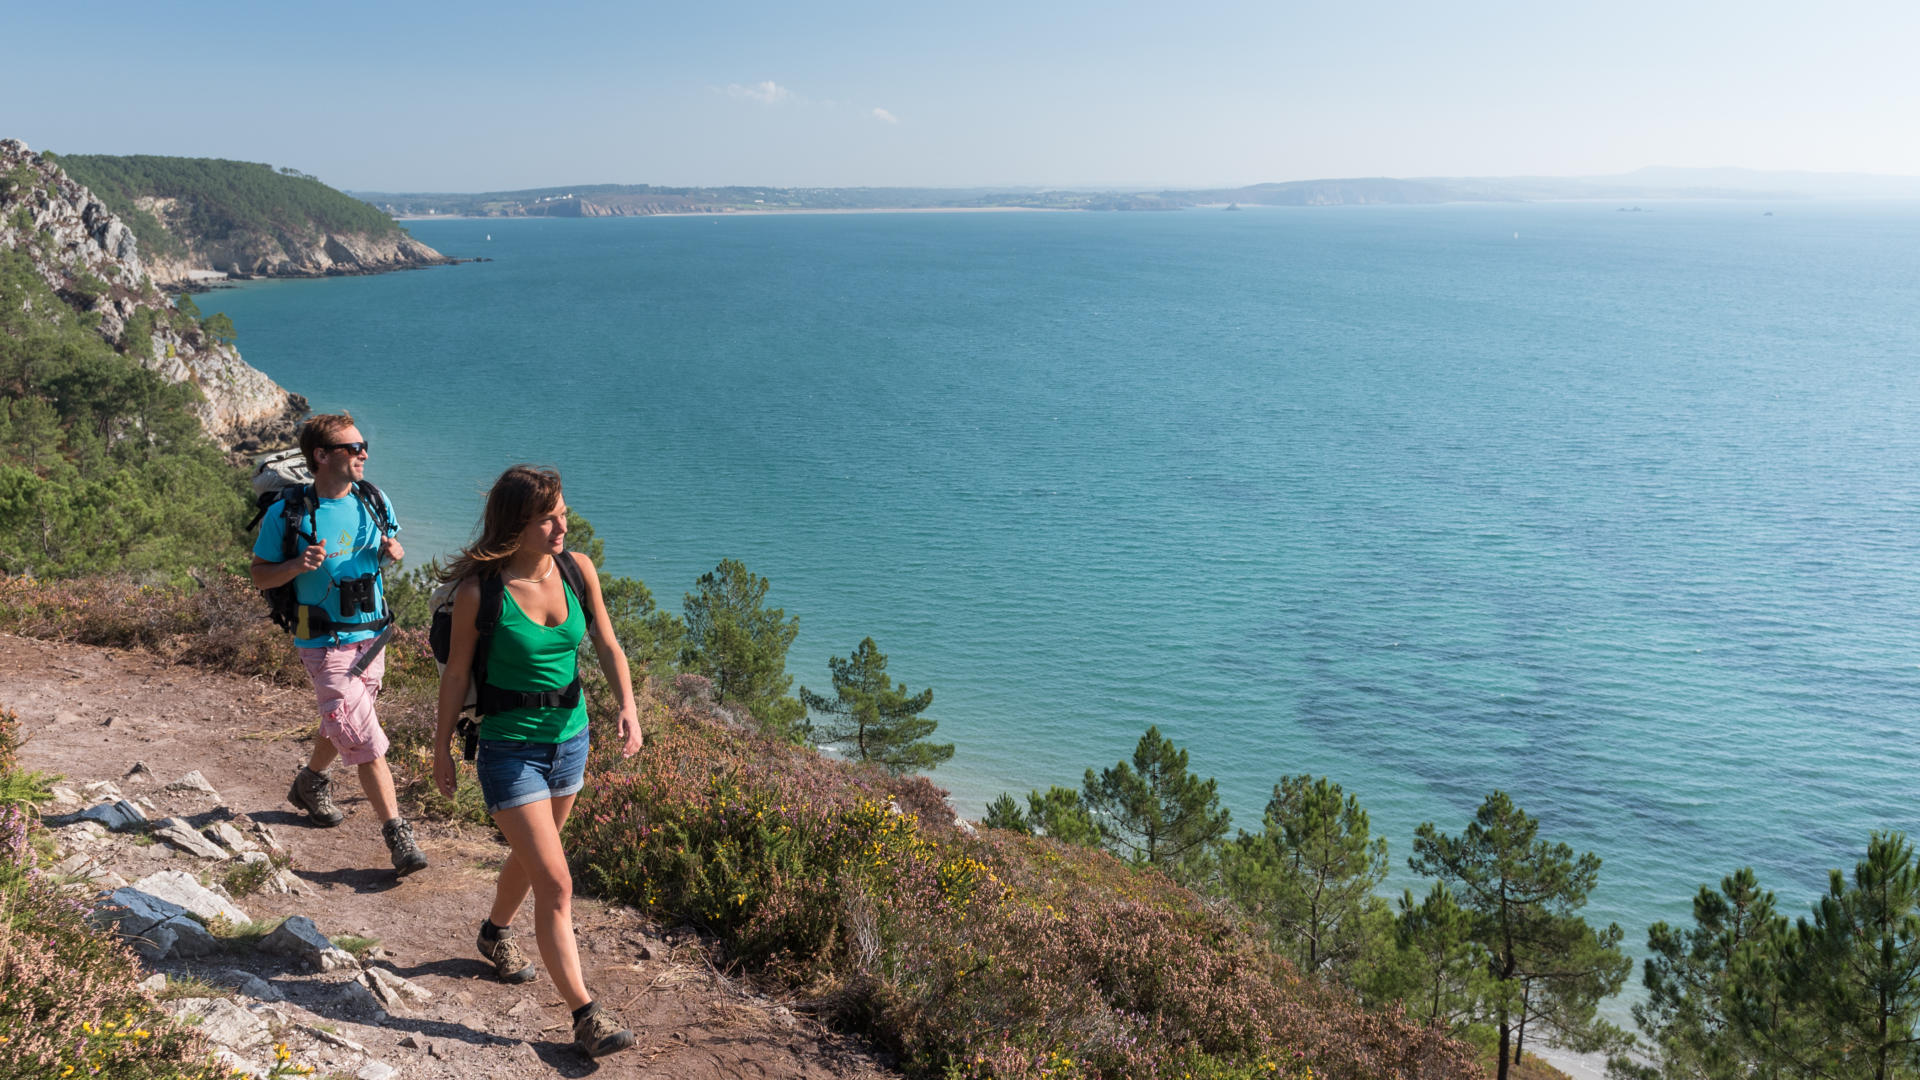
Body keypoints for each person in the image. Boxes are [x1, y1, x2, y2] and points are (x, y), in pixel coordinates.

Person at [432, 465, 643, 1059]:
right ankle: (586, 1015)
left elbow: (606, 642)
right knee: (556, 880)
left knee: (531, 861)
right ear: (515, 523)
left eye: (563, 512)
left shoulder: (577, 569)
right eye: (547, 516)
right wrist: (442, 747)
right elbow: (455, 675)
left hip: (571, 740)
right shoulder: (483, 593)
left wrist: (627, 705)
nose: (562, 524)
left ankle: (494, 934)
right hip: (508, 751)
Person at [250, 412, 427, 877]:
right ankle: (397, 834)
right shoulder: (287, 514)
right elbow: (259, 573)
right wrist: (295, 566)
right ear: (322, 456)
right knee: (366, 739)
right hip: (324, 641)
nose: (364, 453)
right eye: (353, 447)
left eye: (363, 444)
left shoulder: (373, 499)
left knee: (344, 718)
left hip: (374, 635)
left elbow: (390, 545)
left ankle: (310, 782)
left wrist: (394, 552)